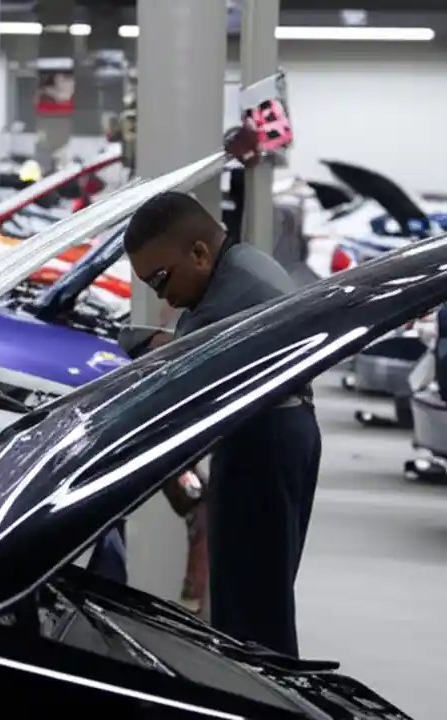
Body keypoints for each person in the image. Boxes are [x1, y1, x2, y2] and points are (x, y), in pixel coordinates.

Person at [124, 190, 321, 657]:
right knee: (257, 604)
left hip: (262, 446)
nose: (162, 295)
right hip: (278, 433)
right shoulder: (244, 264)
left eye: (160, 279)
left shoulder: (223, 302)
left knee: (252, 624)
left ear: (198, 252)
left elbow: (175, 385)